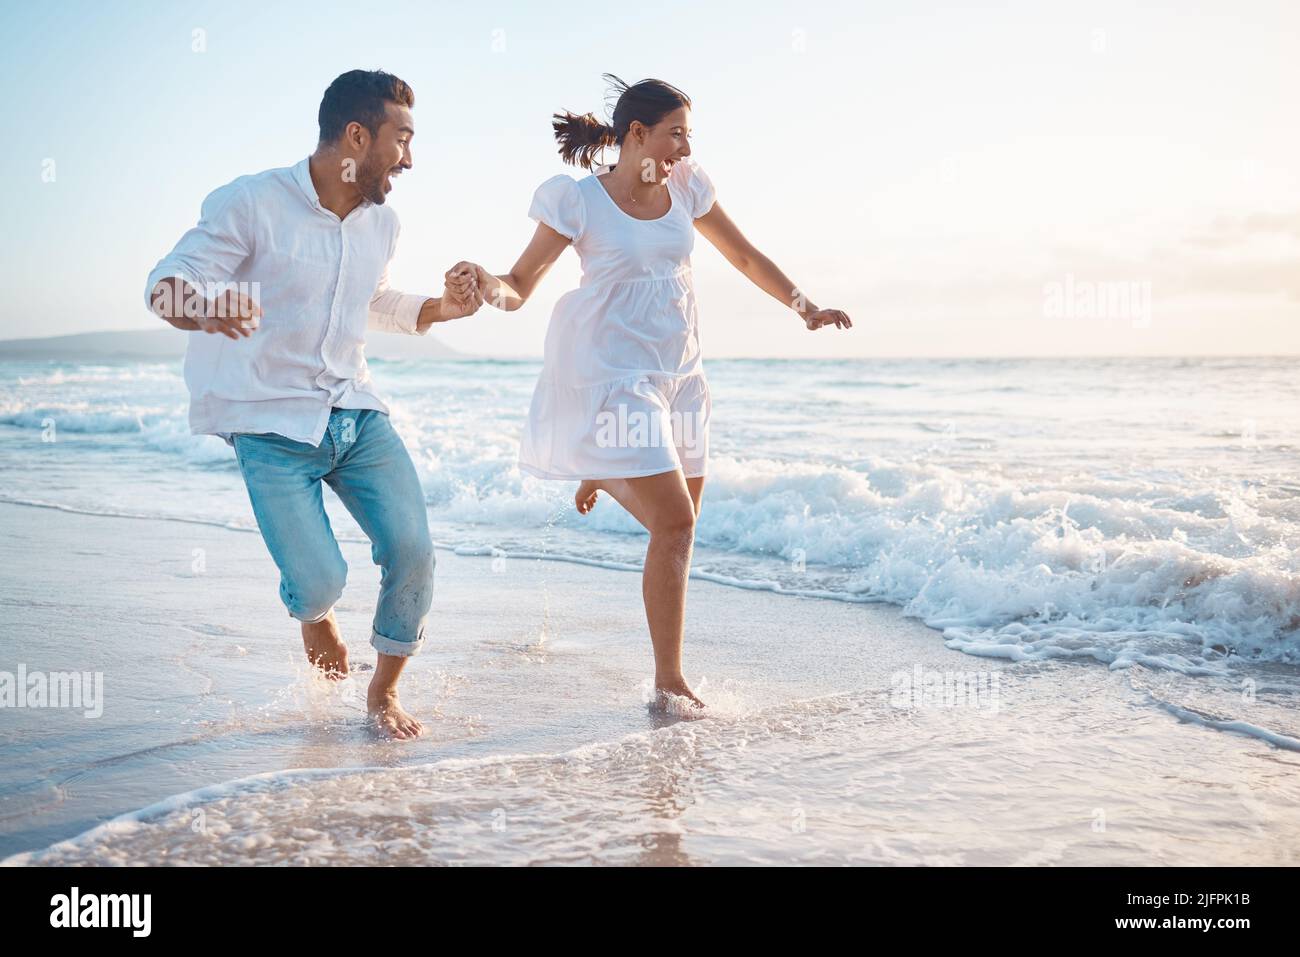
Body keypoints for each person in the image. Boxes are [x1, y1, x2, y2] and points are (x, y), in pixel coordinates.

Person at [449, 74, 851, 712]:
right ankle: (668, 680)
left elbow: (744, 256)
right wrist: (481, 282)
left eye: (689, 136)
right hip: (617, 374)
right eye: (675, 134)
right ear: (636, 134)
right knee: (675, 520)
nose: (684, 149)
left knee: (679, 534)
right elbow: (519, 285)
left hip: (682, 375)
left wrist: (804, 306)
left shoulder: (688, 187)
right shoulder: (579, 201)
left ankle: (611, 481)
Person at [145, 69, 483, 739]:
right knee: (321, 579)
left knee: (413, 549)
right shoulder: (251, 203)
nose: (410, 159)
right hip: (268, 422)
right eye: (402, 140)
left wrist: (441, 308)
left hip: (354, 409)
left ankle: (383, 694)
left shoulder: (381, 223)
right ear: (358, 135)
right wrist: (206, 308)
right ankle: (314, 610)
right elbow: (164, 286)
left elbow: (372, 301)